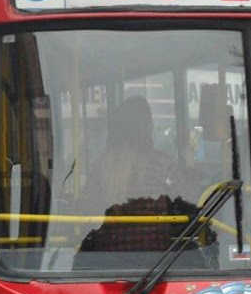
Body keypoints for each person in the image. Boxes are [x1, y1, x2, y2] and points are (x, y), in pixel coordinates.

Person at [79, 96, 201, 252]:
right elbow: (189, 200)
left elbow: (86, 210)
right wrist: (190, 165)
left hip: (108, 257)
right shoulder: (161, 164)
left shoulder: (102, 165)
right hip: (155, 259)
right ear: (146, 127)